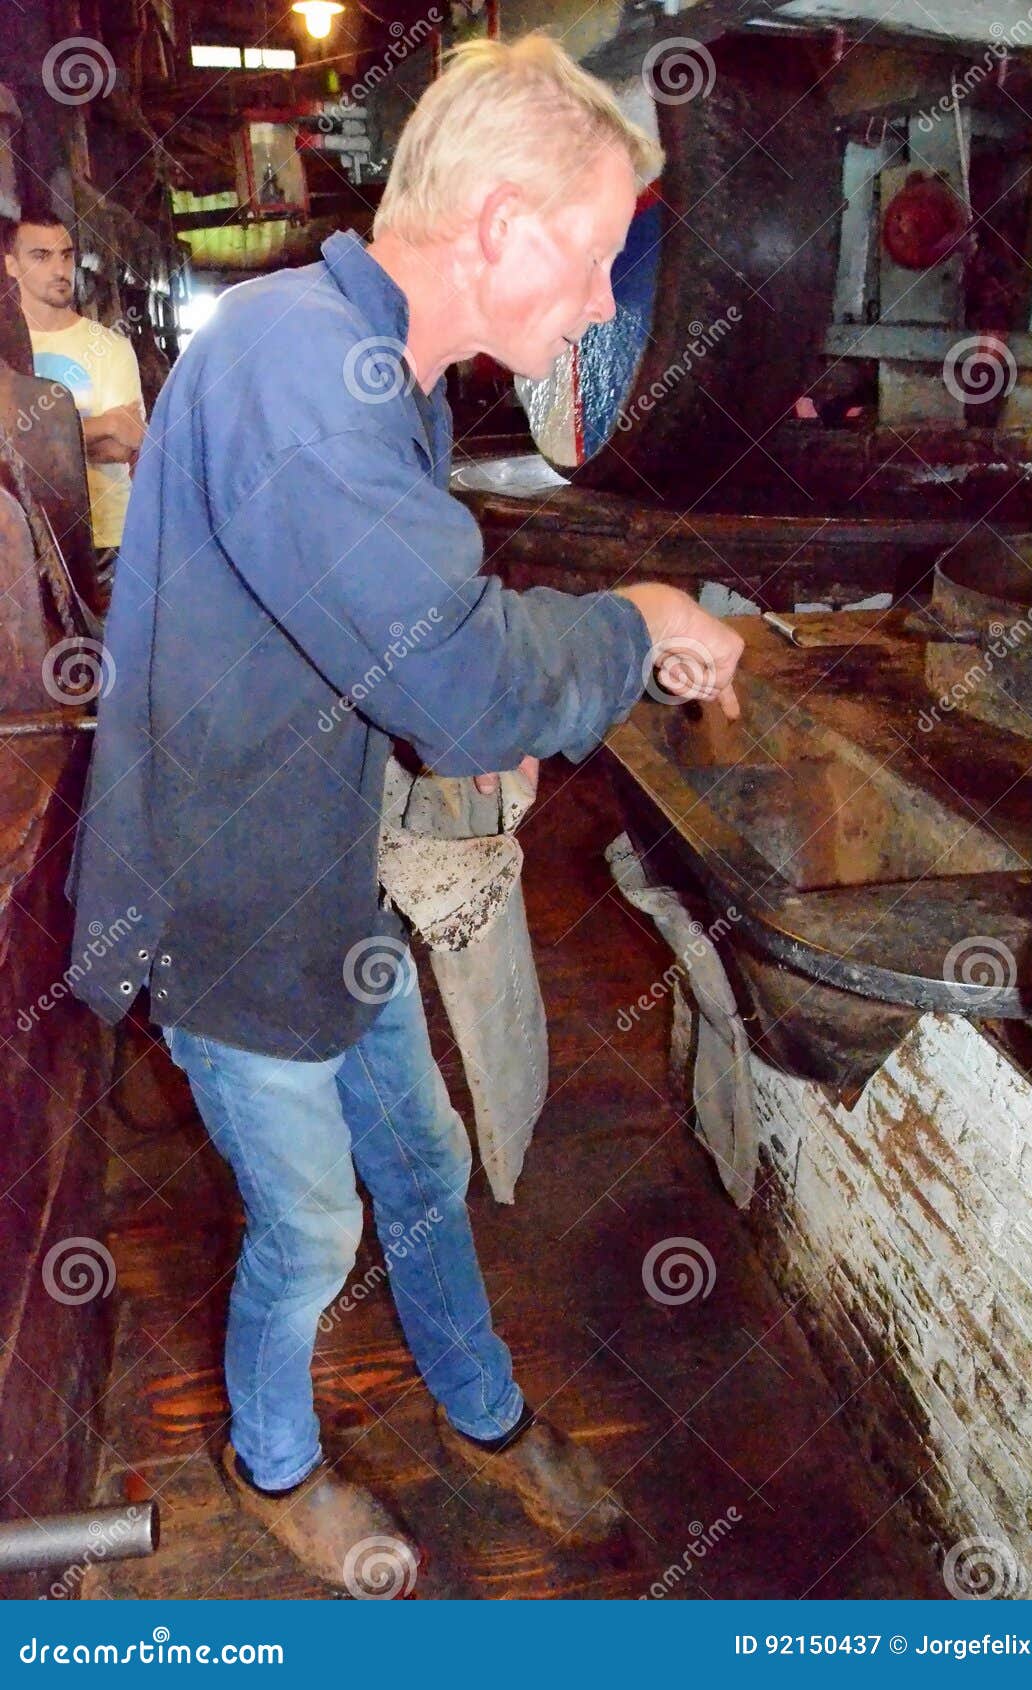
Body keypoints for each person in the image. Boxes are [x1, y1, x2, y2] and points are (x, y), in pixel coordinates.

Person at [66, 34, 744, 1594]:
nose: (601, 304)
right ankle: (273, 1461)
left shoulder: (379, 370)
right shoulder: (304, 372)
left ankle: (483, 1412)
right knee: (311, 1227)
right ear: (499, 224)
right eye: (594, 258)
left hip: (330, 872)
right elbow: (457, 667)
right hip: (231, 907)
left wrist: (453, 742)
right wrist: (636, 621)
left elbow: (370, 641)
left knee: (422, 1167)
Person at [3, 207, 146, 569]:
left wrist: (31, 443)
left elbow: (120, 447)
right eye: (41, 256)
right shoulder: (5, 352)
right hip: (25, 542)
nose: (59, 269)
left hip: (108, 537)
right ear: (11, 265)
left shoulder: (110, 346)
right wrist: (105, 424)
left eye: (66, 255)